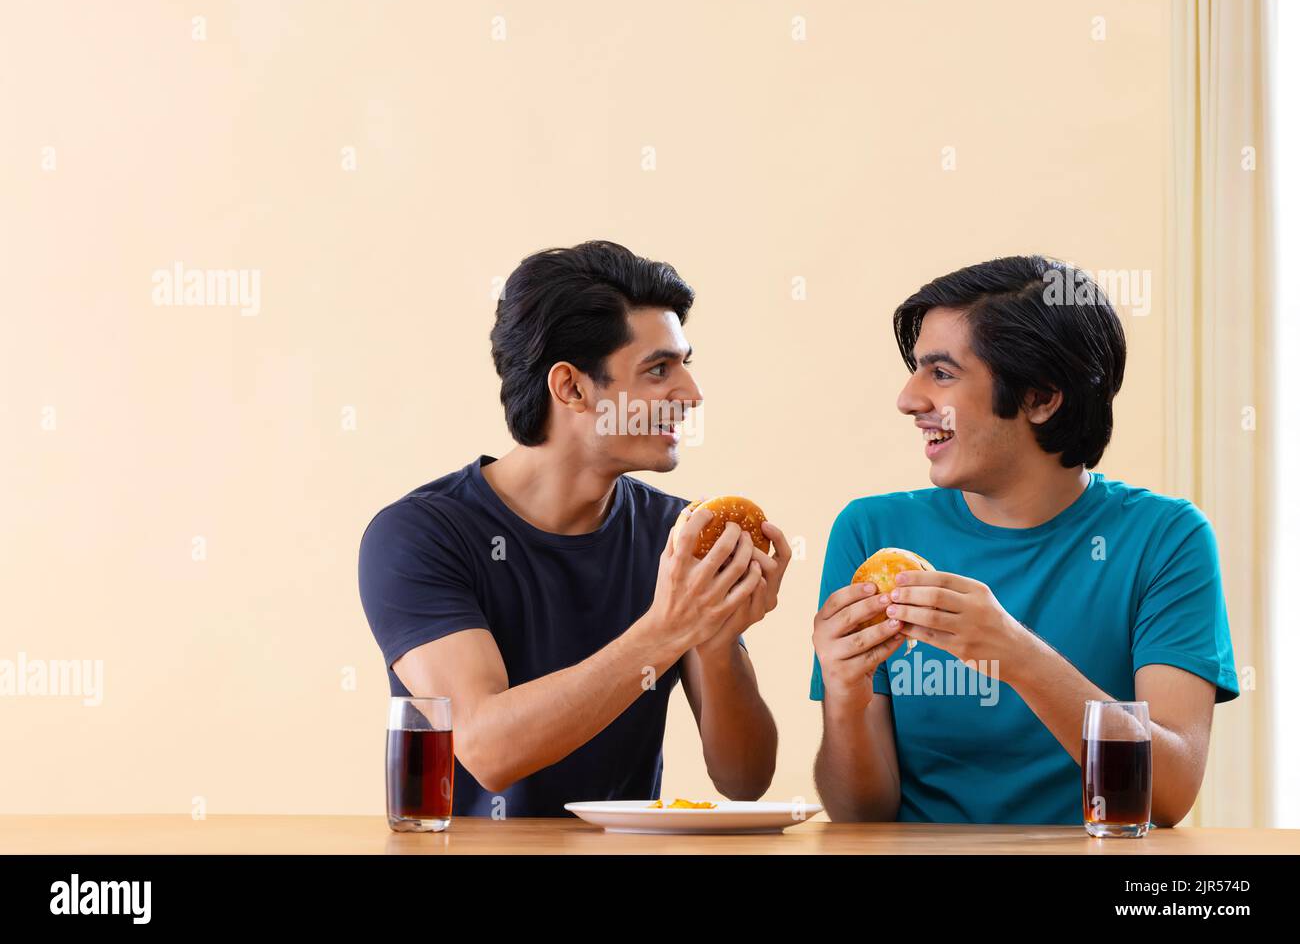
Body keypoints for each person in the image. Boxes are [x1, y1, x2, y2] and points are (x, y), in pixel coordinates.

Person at [360, 240, 790, 817]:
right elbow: (487, 747)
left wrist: (713, 639)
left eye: (686, 364)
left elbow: (744, 780)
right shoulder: (419, 535)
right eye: (659, 369)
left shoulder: (678, 534)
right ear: (572, 387)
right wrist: (666, 630)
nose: (691, 393)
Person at [810, 255, 1238, 825]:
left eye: (941, 374)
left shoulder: (1165, 539)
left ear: (1040, 397)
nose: (908, 400)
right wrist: (844, 695)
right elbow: (860, 816)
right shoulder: (870, 533)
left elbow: (1168, 795)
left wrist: (1013, 652)